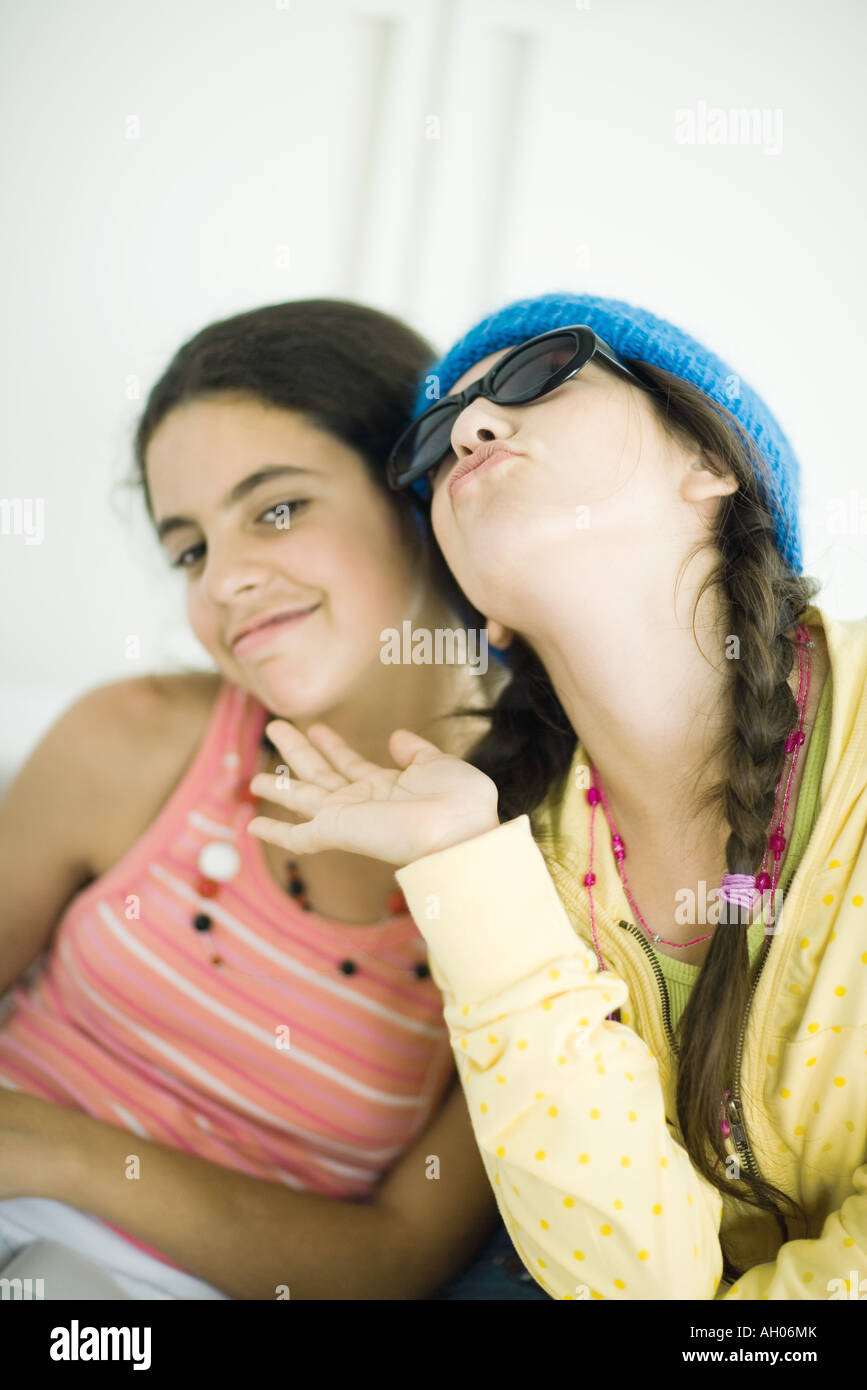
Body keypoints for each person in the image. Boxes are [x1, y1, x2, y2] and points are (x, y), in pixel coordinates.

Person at [244, 291, 867, 1301]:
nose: (472, 430)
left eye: (539, 374)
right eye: (435, 445)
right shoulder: (515, 856)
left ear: (711, 463)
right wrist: (461, 866)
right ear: (483, 610)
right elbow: (632, 1282)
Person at [0, 298, 517, 1300]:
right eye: (191, 548)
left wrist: (57, 1152)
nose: (226, 580)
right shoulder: (135, 740)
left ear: (422, 494)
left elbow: (399, 1256)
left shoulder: (527, 871)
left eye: (277, 508)